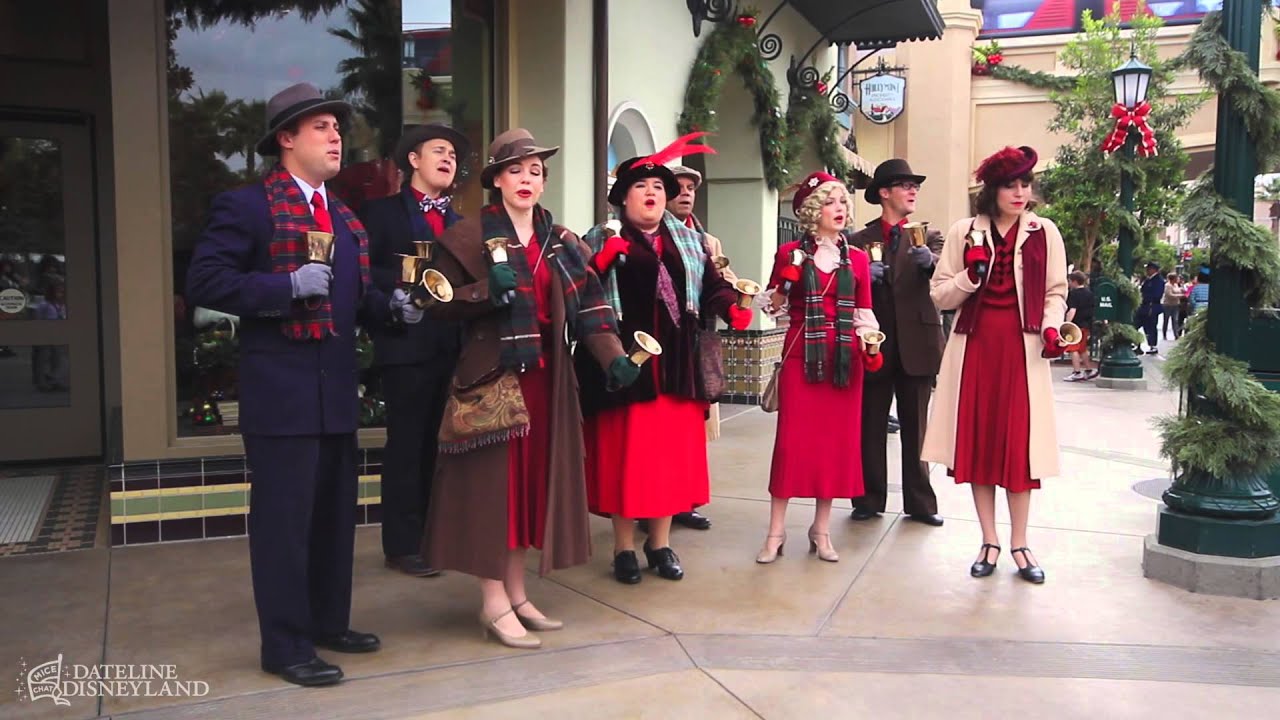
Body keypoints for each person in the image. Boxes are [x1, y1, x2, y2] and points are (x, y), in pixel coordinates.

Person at [186, 83, 423, 686]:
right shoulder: (248, 208)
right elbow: (207, 281)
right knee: (284, 528)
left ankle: (327, 623)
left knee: (333, 520)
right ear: (286, 140)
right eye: (321, 127)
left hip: (336, 392)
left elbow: (355, 296)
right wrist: (283, 288)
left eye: (338, 128)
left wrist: (390, 307)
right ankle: (285, 645)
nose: (336, 136)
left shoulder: (346, 220)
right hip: (281, 396)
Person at [421, 128, 639, 649]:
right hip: (492, 377)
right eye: (515, 169)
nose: (527, 179)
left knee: (528, 489)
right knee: (494, 493)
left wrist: (614, 359)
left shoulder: (561, 240)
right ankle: (493, 601)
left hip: (546, 380)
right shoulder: (467, 237)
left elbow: (592, 310)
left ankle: (517, 593)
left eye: (536, 171)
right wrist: (481, 292)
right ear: (496, 179)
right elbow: (435, 301)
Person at [578, 135, 750, 584]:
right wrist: (599, 262)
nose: (652, 193)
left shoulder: (690, 242)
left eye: (658, 186)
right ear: (624, 198)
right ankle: (622, 548)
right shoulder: (600, 237)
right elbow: (578, 291)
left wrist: (731, 306)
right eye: (642, 187)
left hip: (676, 364)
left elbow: (712, 285)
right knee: (625, 458)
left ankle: (661, 544)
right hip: (623, 364)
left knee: (668, 461)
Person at [922, 146, 1067, 585]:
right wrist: (970, 276)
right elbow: (940, 293)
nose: (1020, 192)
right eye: (1011, 185)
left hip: (1023, 354)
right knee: (980, 447)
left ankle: (1021, 543)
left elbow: (1055, 291)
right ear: (992, 190)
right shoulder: (965, 232)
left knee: (1020, 452)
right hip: (975, 351)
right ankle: (989, 541)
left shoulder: (1046, 232)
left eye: (1026, 184)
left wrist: (1052, 327)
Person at [756, 170, 881, 565]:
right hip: (801, 357)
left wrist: (872, 345)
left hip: (844, 359)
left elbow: (864, 313)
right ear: (813, 210)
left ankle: (821, 530)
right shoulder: (790, 252)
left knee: (833, 447)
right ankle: (775, 532)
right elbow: (772, 309)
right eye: (830, 202)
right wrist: (786, 282)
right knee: (792, 445)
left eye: (843, 201)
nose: (840, 209)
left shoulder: (858, 259)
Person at [361, 124, 469, 578]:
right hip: (405, 347)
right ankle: (402, 545)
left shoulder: (463, 225)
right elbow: (361, 274)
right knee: (407, 447)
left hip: (453, 350)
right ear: (413, 160)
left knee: (443, 450)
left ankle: (436, 539)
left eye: (453, 154)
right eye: (438, 151)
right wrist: (395, 297)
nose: (448, 159)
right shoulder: (380, 214)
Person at [845, 159, 945, 527]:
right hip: (874, 343)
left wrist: (929, 262)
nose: (913, 191)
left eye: (914, 186)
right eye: (905, 185)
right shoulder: (858, 240)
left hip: (918, 342)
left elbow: (945, 270)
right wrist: (862, 276)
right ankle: (868, 498)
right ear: (884, 193)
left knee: (917, 428)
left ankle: (920, 503)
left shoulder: (929, 236)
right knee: (869, 424)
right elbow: (847, 289)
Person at [660, 163, 735, 531]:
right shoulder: (651, 233)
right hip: (663, 341)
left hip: (698, 340)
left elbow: (720, 279)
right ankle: (655, 504)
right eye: (679, 186)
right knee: (663, 430)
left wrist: (732, 294)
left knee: (694, 430)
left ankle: (684, 501)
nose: (687, 193)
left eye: (692, 187)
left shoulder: (709, 240)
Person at [1064, 271, 1098, 382]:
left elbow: (1072, 310)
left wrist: (1066, 323)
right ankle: (1088, 369)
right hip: (1086, 324)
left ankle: (1077, 372)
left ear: (1074, 281)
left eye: (1069, 281)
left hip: (1076, 325)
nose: (1068, 283)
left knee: (1073, 348)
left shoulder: (1074, 294)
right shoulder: (1089, 293)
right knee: (1082, 348)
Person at [1137, 261, 1165, 355]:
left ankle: (1153, 345)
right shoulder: (1148, 280)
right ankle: (1137, 344)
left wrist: (1146, 298)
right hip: (1144, 307)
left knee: (1151, 326)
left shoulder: (1158, 281)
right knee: (1139, 325)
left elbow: (1157, 295)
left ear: (1153, 269)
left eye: (1148, 269)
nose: (1147, 270)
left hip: (1151, 307)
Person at [1161, 272, 1186, 340]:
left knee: (1175, 320)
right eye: (1176, 278)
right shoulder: (1168, 285)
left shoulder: (1176, 285)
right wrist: (1180, 296)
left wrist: (1182, 290)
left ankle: (1176, 334)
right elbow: (1169, 295)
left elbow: (1179, 290)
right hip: (1168, 305)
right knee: (1166, 320)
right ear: (1173, 278)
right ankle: (1164, 334)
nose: (1177, 279)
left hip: (1175, 305)